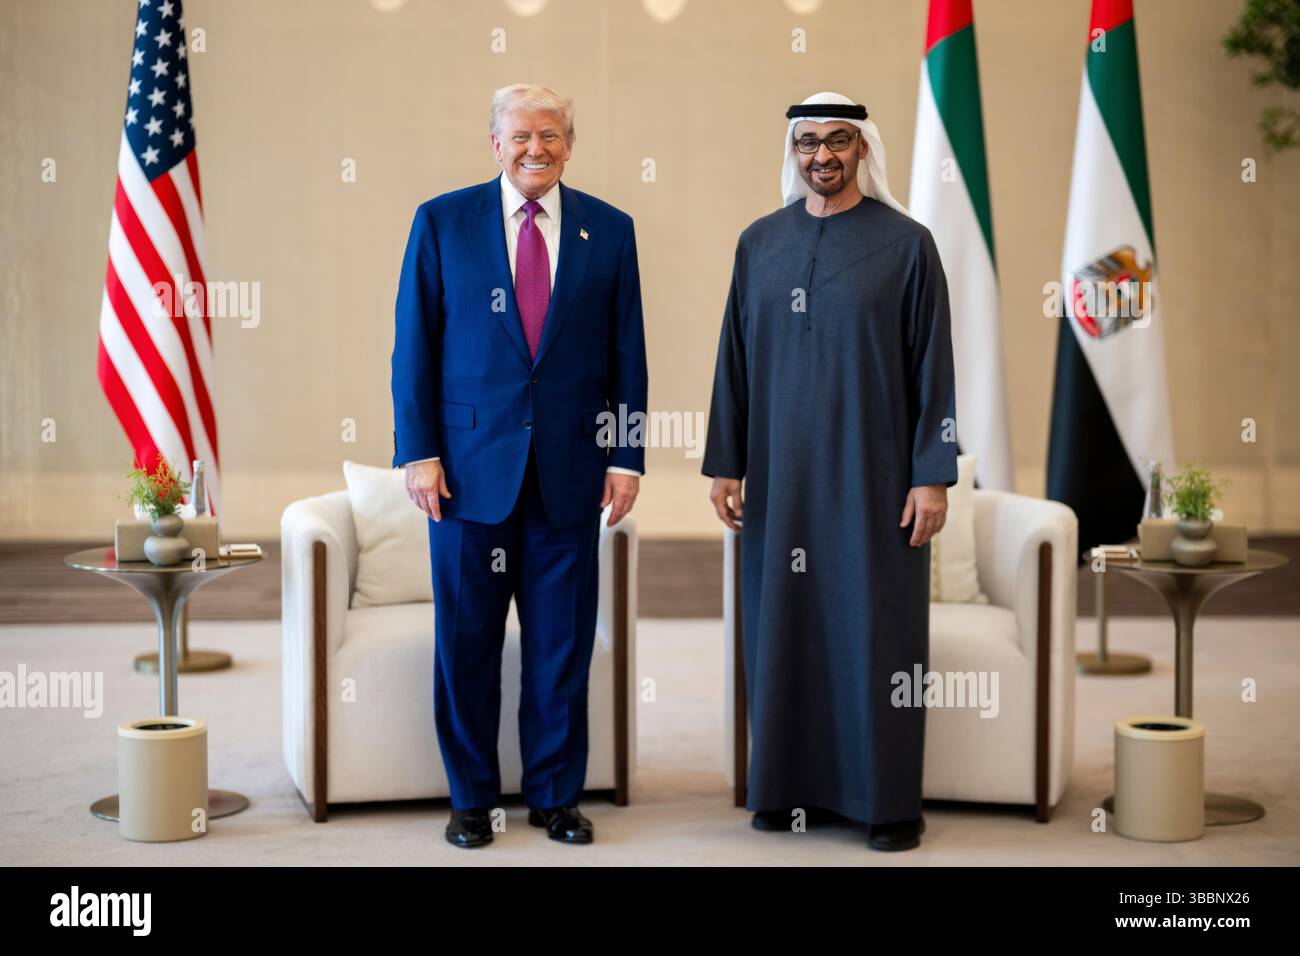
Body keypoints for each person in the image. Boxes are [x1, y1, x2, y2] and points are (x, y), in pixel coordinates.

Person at [391, 83, 648, 848]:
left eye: (551, 135)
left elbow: (627, 357)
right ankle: (471, 800)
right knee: (466, 646)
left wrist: (626, 454)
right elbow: (414, 348)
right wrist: (420, 453)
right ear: (495, 145)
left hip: (571, 476)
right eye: (521, 136)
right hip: (467, 479)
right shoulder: (441, 222)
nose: (536, 149)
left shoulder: (611, 229)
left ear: (570, 144)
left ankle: (556, 796)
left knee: (560, 649)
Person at [701, 91, 958, 852]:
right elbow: (733, 363)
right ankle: (784, 793)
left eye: (837, 141)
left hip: (875, 486)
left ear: (862, 149)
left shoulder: (908, 245)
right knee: (782, 630)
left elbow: (934, 369)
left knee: (873, 636)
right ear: (794, 151)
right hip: (781, 486)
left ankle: (886, 807)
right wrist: (725, 464)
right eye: (808, 142)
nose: (822, 155)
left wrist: (931, 473)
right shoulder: (759, 244)